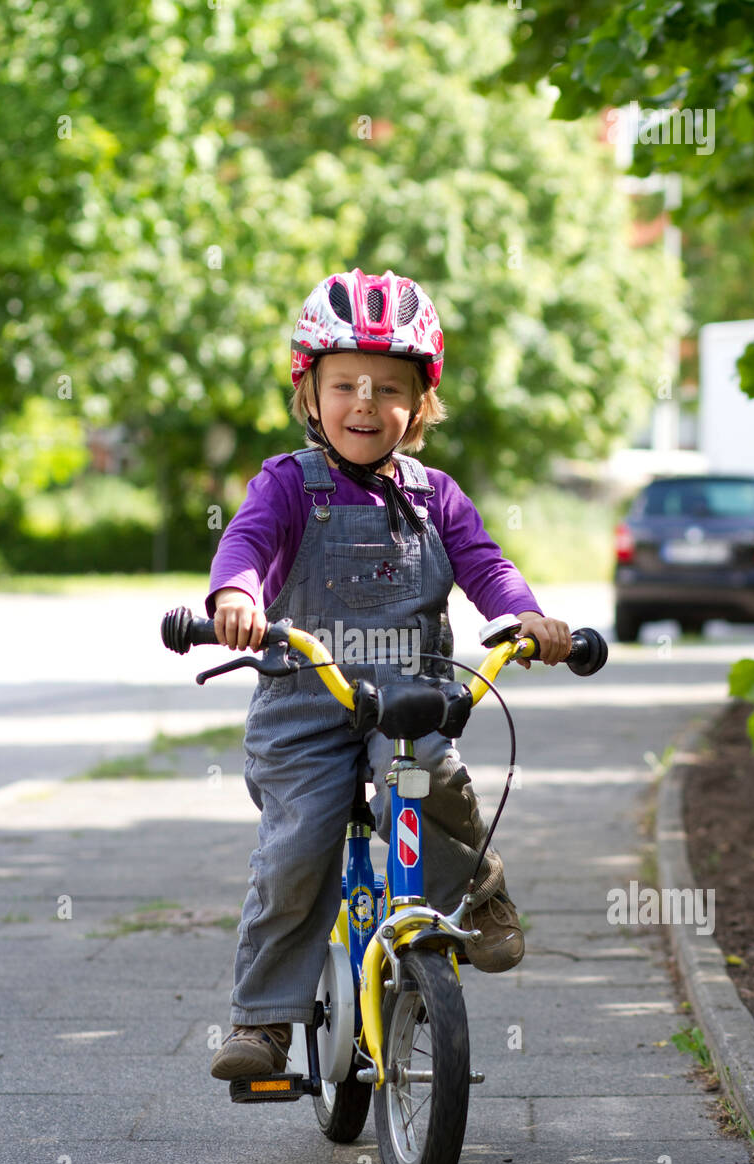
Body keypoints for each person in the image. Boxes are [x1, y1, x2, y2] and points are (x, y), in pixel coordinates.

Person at [206, 268, 571, 1079]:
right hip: (307, 704)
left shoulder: (436, 496)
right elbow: (245, 547)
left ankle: (478, 892)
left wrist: (525, 619)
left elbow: (486, 566)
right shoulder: (287, 485)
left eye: (389, 389)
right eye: (344, 385)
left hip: (409, 696)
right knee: (299, 843)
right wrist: (234, 594)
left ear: (420, 405)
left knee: (435, 778)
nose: (365, 404)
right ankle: (264, 1021)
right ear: (310, 393)